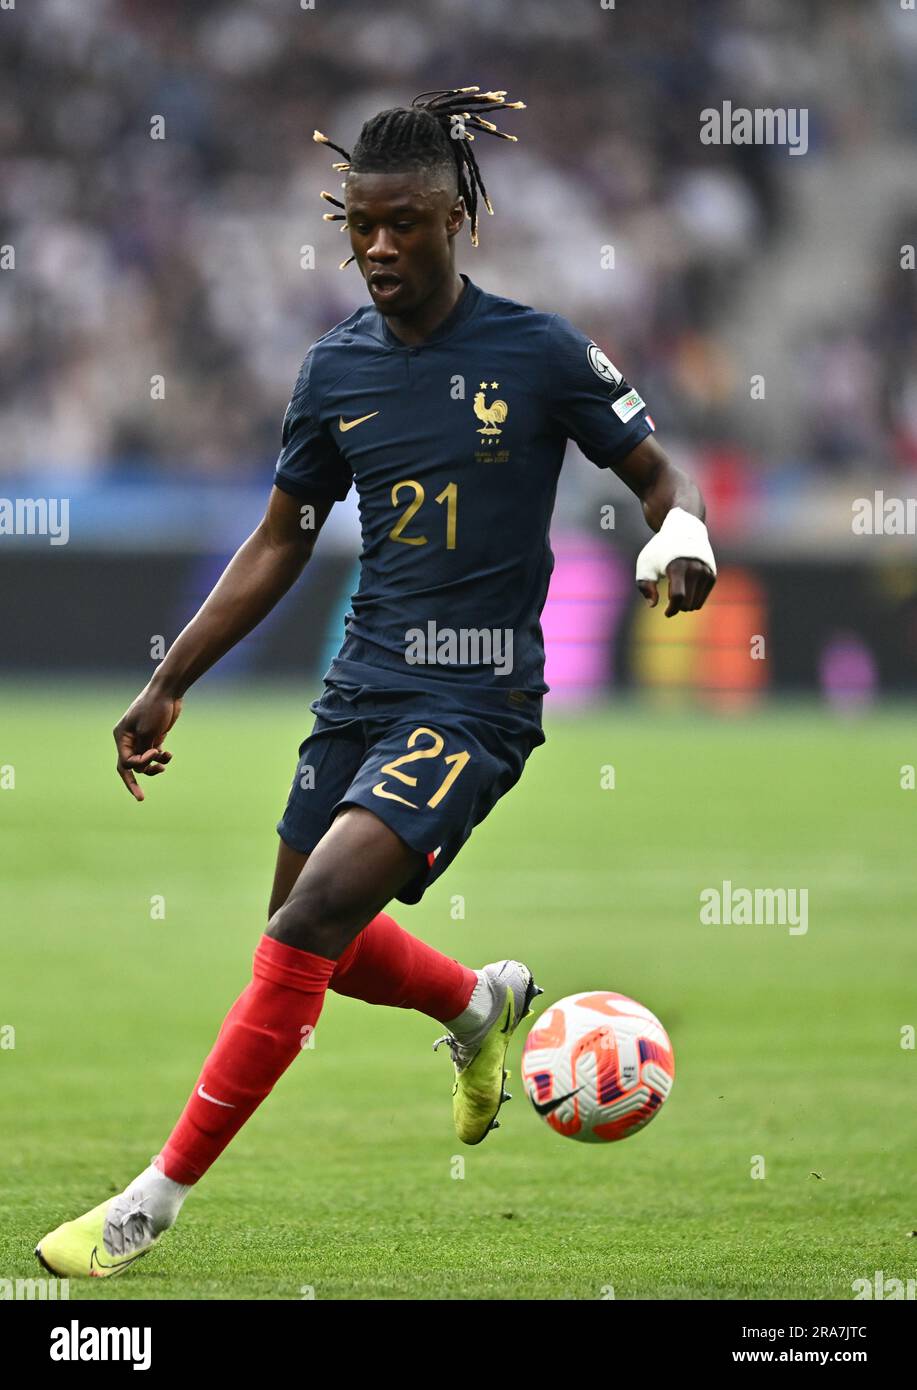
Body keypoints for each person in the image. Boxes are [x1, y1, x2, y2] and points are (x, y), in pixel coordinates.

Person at [36, 86, 716, 1279]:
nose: (379, 248)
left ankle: (149, 1204)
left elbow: (662, 478)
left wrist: (681, 540)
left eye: (404, 223)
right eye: (360, 225)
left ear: (457, 218)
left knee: (303, 927)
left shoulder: (541, 351)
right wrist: (171, 679)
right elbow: (282, 537)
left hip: (476, 696)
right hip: (363, 688)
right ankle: (476, 1007)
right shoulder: (332, 369)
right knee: (322, 946)